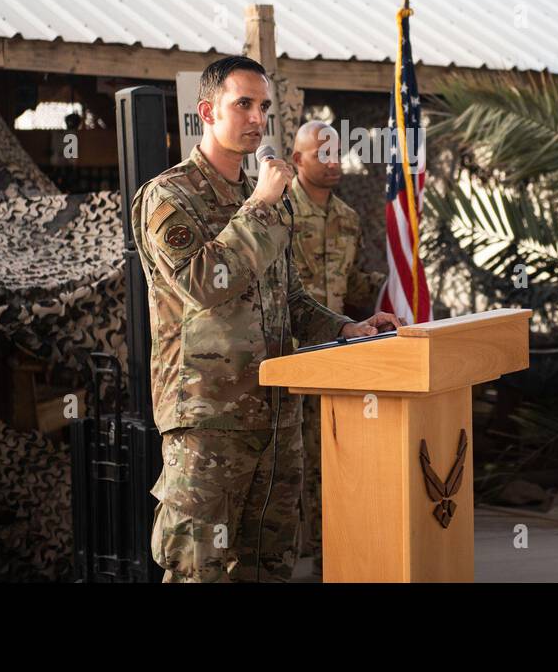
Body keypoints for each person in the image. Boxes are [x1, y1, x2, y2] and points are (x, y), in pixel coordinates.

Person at [131, 56, 401, 582]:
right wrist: (258, 205)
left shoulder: (267, 200)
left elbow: (291, 298)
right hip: (208, 424)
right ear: (207, 112)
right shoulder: (169, 195)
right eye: (243, 105)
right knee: (199, 570)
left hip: (278, 418)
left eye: (263, 107)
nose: (258, 118)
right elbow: (203, 285)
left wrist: (347, 328)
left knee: (268, 568)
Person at [288, 120, 388, 576]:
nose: (332, 162)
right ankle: (289, 558)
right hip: (287, 358)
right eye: (320, 153)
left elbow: (349, 288)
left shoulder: (349, 217)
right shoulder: (277, 212)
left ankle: (334, 560)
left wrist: (393, 287)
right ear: (296, 160)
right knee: (293, 464)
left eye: (337, 153)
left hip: (339, 355)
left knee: (332, 458)